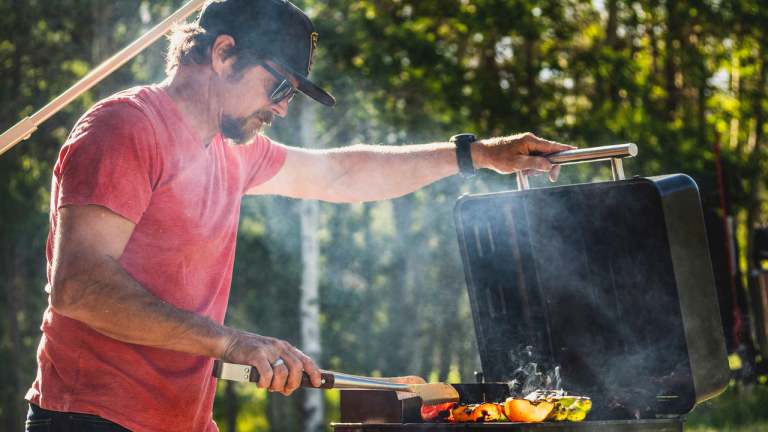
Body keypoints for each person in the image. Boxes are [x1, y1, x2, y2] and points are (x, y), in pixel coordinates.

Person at [24, 0, 573, 431]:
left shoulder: (231, 149)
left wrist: (473, 155)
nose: (284, 106)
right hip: (90, 419)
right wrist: (231, 342)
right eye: (280, 84)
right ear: (222, 53)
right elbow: (79, 287)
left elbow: (340, 174)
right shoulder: (124, 129)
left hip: (179, 421)